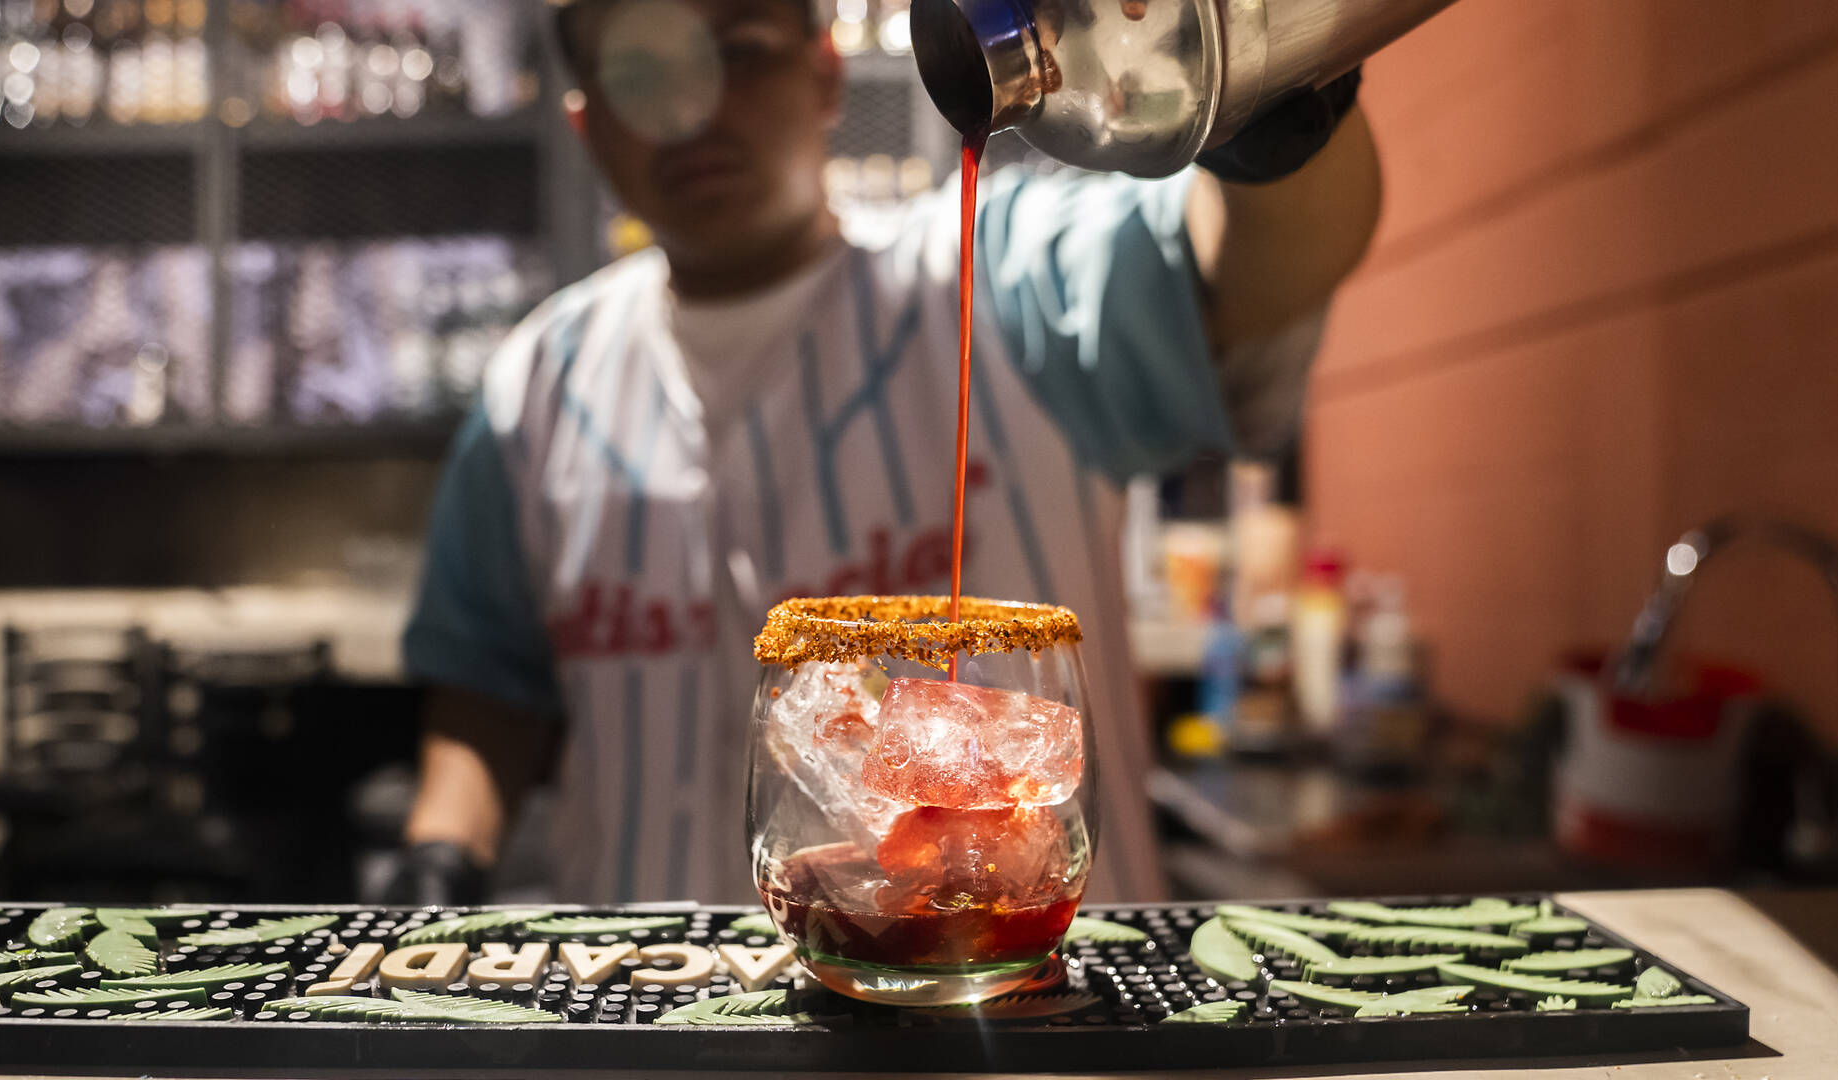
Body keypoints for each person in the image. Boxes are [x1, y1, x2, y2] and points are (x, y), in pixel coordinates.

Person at [389, 0, 1382, 906]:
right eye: (641, 75)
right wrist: (444, 850)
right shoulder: (540, 380)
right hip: (658, 1008)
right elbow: (490, 688)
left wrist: (1273, 93)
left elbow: (1258, 266)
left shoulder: (1000, 273)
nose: (692, 109)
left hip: (1019, 1015)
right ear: (586, 123)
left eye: (739, 50)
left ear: (825, 72)